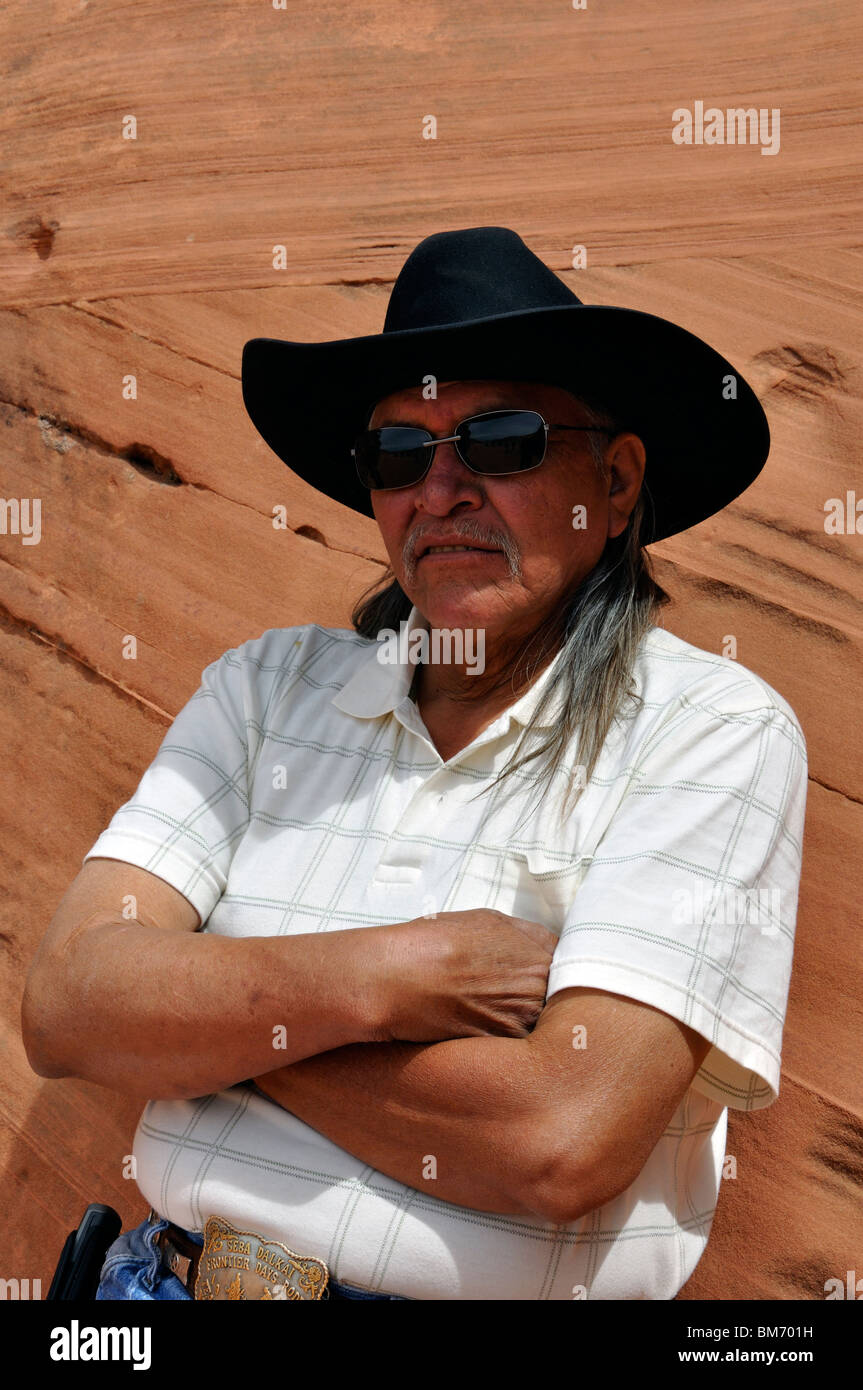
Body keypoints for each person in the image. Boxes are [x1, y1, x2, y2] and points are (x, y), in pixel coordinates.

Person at [22, 227, 807, 1301]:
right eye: (398, 454)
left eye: (499, 440)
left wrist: (202, 1025)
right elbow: (68, 1004)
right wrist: (393, 974)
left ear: (614, 483)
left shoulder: (708, 728)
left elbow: (556, 1137)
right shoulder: (265, 687)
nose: (439, 490)